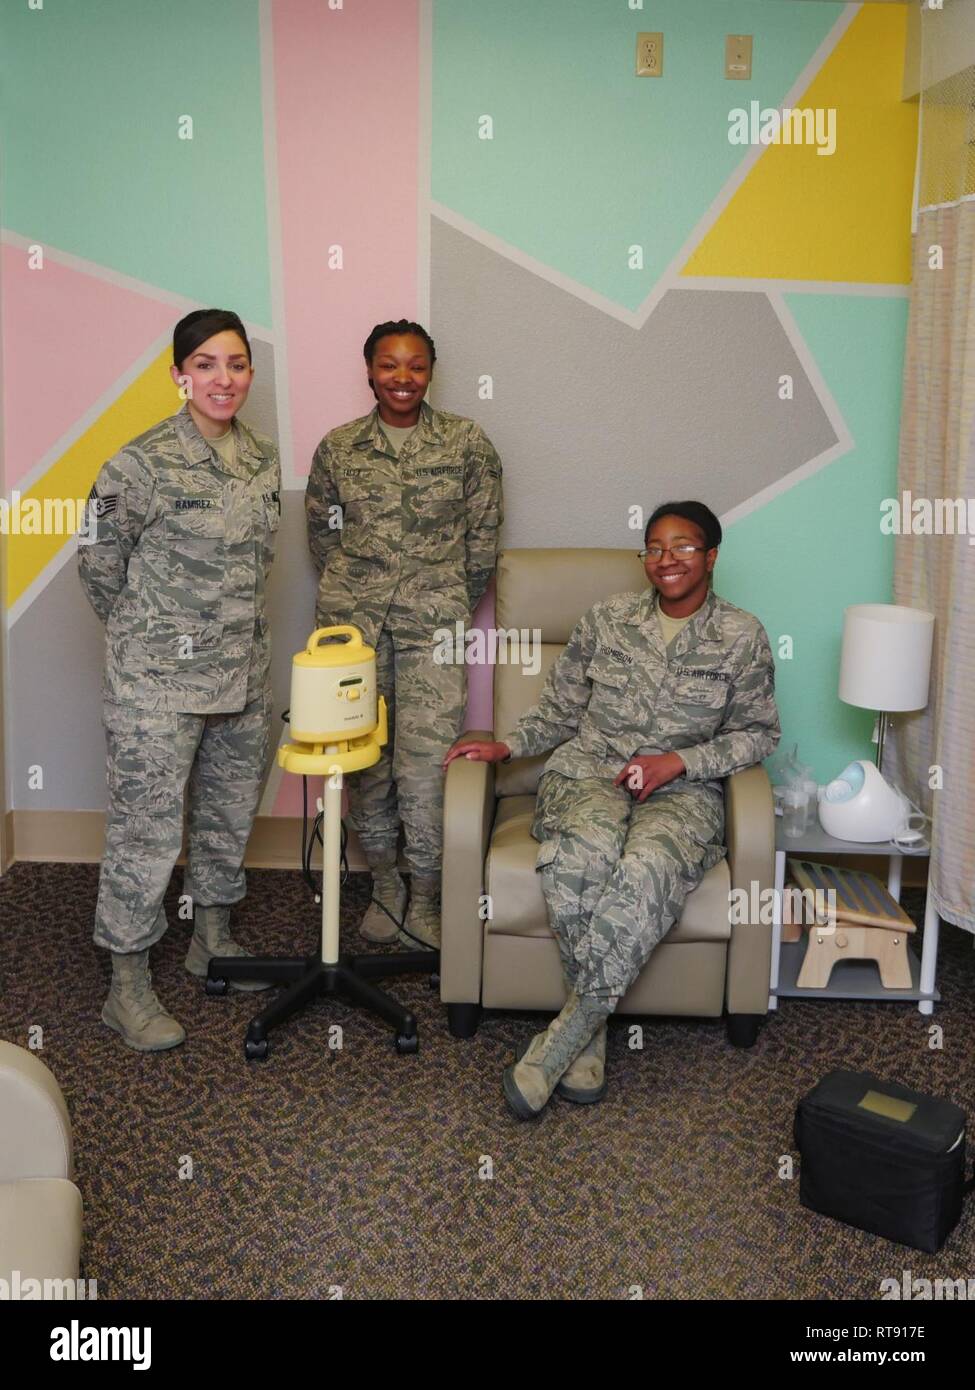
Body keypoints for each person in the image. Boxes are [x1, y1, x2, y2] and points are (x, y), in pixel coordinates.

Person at [444, 501, 780, 1119]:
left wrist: (678, 763)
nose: (666, 559)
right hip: (589, 774)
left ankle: (564, 1039)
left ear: (710, 556)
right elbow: (560, 712)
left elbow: (758, 735)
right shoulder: (605, 620)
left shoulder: (742, 635)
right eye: (654, 547)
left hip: (682, 793)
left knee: (645, 870)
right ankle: (591, 1033)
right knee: (579, 858)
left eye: (683, 547)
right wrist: (507, 744)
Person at [79, 308, 281, 1051]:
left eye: (234, 364)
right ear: (178, 375)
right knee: (146, 834)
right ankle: (126, 986)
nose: (222, 379)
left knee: (227, 818)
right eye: (205, 365)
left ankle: (213, 938)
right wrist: (150, 644)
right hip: (158, 687)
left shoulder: (261, 458)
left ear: (248, 374)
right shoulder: (135, 465)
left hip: (242, 678)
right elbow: (98, 563)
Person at [305, 320, 503, 950]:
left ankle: (426, 895)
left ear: (430, 373)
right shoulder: (338, 449)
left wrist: (441, 600)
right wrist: (357, 593)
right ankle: (385, 885)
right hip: (353, 631)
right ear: (369, 371)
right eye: (389, 365)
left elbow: (483, 543)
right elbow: (322, 534)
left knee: (425, 767)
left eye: (415, 366)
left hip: (432, 628)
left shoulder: (468, 445)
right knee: (366, 762)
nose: (402, 378)